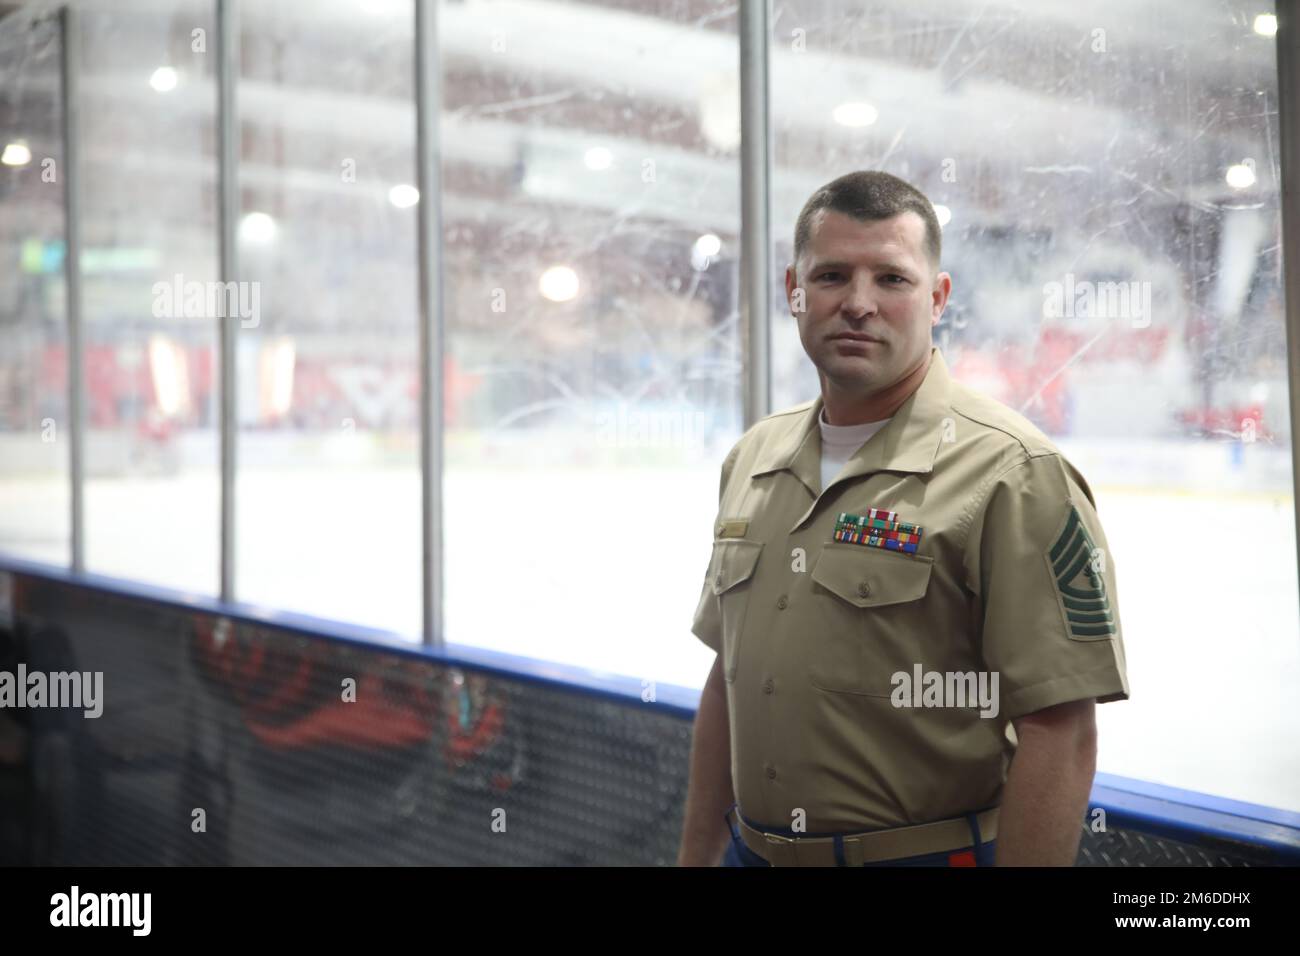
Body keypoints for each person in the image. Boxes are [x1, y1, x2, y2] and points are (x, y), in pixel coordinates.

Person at [677, 171, 1130, 867]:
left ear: (938, 298)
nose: (859, 304)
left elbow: (1060, 730)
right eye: (830, 275)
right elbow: (726, 680)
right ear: (793, 291)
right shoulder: (754, 459)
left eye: (892, 279)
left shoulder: (1013, 472)